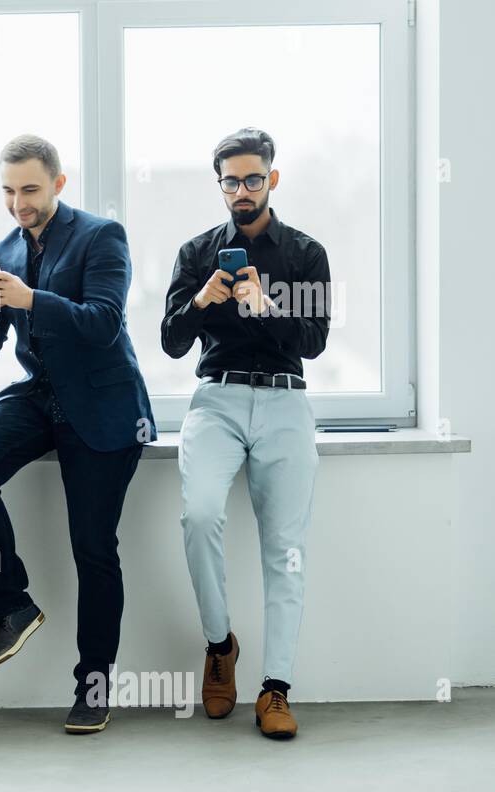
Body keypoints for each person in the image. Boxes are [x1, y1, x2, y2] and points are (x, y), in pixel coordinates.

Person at [0, 134, 156, 735]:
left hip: (104, 401)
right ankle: (11, 601)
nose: (19, 203)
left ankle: (93, 687)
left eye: (30, 190)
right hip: (40, 394)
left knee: (93, 549)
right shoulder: (0, 248)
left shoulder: (100, 236)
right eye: (9, 191)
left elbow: (103, 323)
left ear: (59, 184)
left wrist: (32, 298)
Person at [160, 128, 330, 740]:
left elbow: (314, 340)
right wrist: (205, 300)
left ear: (272, 180)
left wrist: (269, 307)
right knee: (199, 516)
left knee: (286, 548)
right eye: (230, 180)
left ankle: (276, 688)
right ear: (220, 185)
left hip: (286, 401)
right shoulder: (197, 252)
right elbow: (172, 342)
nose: (241, 190)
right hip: (218, 398)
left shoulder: (307, 253)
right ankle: (218, 645)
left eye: (252, 178)